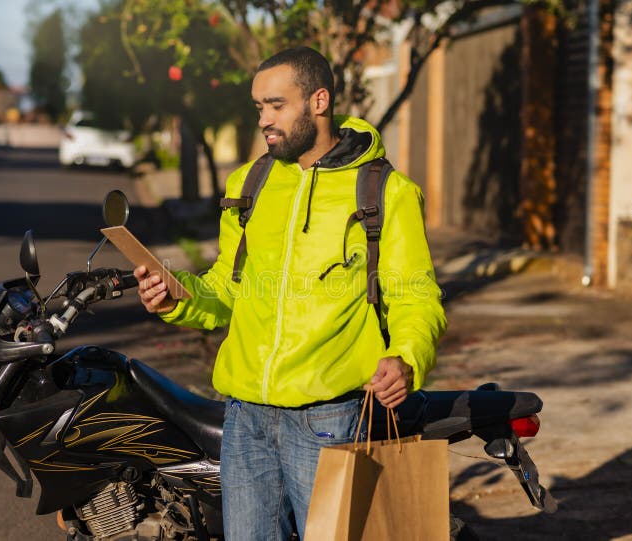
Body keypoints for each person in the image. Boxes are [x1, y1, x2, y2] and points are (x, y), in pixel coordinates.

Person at [134, 46, 446, 540]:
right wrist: (176, 299)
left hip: (329, 418)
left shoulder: (384, 192)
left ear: (318, 101)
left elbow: (415, 296)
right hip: (246, 419)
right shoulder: (251, 183)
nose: (265, 120)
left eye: (276, 105)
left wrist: (406, 357)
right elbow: (226, 290)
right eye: (259, 107)